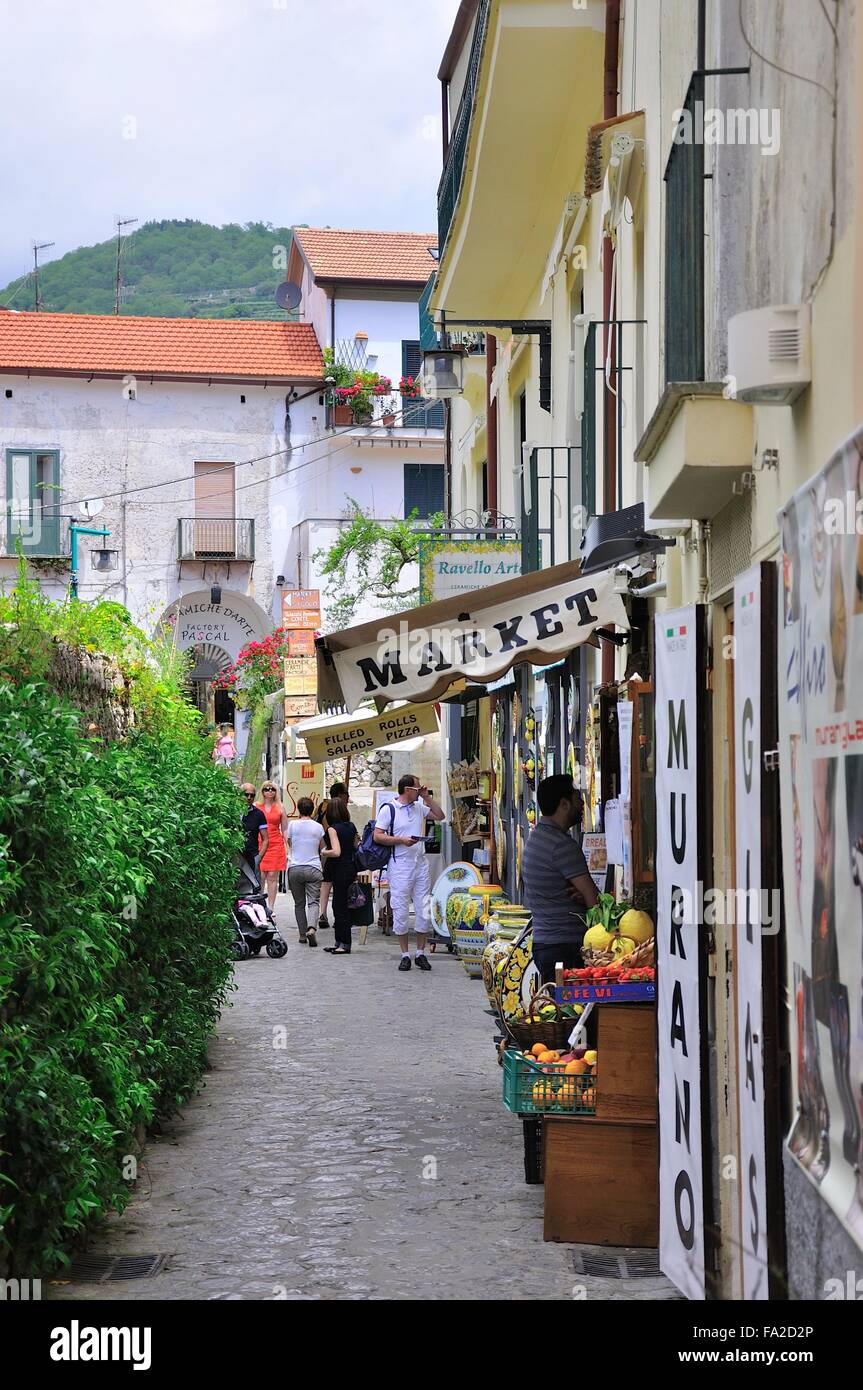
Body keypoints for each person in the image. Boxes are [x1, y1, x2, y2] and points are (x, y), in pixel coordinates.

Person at [521, 774, 599, 984]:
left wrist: (582, 897)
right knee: (572, 1013)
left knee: (558, 1011)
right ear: (564, 804)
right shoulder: (561, 845)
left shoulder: (536, 838)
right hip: (565, 948)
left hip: (546, 944)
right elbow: (593, 900)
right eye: (576, 798)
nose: (582, 803)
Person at [373, 774, 445, 973]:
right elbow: (377, 836)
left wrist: (427, 797)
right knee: (400, 908)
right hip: (401, 864)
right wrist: (401, 840)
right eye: (417, 788)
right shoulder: (389, 809)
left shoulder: (418, 807)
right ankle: (405, 954)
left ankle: (420, 953)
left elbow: (440, 816)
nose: (420, 789)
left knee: (424, 907)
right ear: (407, 790)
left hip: (419, 863)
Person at [319, 797, 358, 956]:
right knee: (342, 906)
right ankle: (339, 941)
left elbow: (336, 851)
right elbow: (356, 846)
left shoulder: (332, 829)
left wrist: (324, 852)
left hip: (340, 869)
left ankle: (344, 943)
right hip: (350, 868)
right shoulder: (351, 826)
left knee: (339, 907)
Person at [286, 796, 325, 946]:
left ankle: (302, 934)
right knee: (313, 902)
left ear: (298, 809)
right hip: (313, 868)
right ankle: (312, 929)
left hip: (295, 868)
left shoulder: (292, 825)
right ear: (312, 809)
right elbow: (322, 848)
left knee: (299, 903)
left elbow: (290, 844)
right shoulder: (318, 827)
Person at [314, 781, 347, 929]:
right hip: (336, 849)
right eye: (346, 793)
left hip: (323, 847)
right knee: (338, 883)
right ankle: (340, 915)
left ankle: (323, 913)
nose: (348, 796)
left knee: (326, 882)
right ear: (340, 795)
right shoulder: (340, 808)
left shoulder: (321, 806)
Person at [255, 781, 288, 912]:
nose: (269, 791)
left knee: (273, 876)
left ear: (276, 792)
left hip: (275, 843)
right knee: (261, 875)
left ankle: (271, 907)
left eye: (272, 789)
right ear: (262, 791)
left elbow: (285, 827)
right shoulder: (256, 806)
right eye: (266, 789)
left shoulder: (280, 807)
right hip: (260, 842)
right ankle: (260, 905)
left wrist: (288, 843)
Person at [240, 783, 269, 888]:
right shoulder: (232, 812)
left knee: (254, 887)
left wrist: (259, 857)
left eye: (252, 795)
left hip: (252, 856)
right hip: (235, 855)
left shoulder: (258, 814)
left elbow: (265, 839)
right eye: (246, 794)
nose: (249, 798)